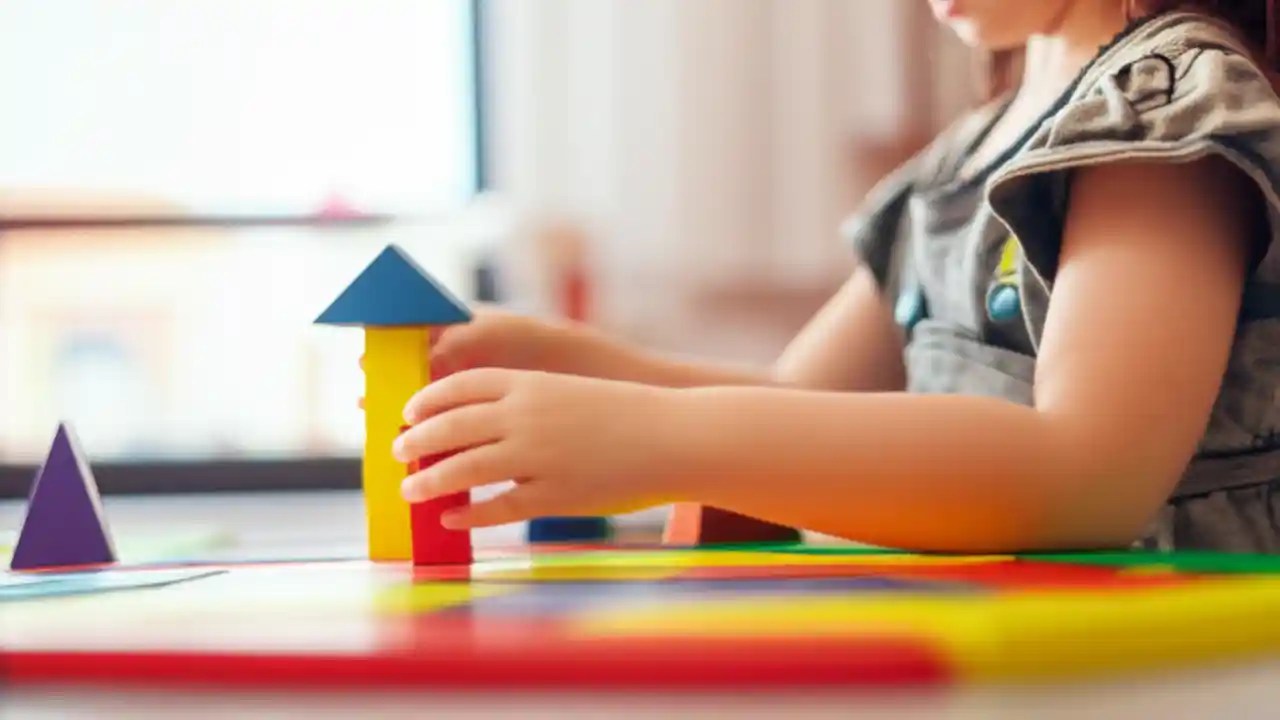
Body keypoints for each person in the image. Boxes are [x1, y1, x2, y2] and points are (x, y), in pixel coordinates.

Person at [392, 0, 1280, 553]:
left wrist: (657, 438)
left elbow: (1089, 476)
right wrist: (565, 365)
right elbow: (795, 396)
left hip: (1174, 662)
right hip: (1003, 648)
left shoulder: (1163, 109)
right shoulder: (962, 157)